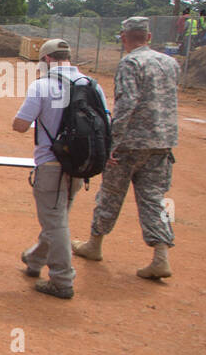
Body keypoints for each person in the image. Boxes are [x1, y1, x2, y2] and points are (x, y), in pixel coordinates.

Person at [73, 17, 179, 278]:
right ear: (149, 37)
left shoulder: (131, 63)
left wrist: (111, 143)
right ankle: (161, 255)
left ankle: (94, 243)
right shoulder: (170, 63)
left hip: (130, 143)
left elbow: (126, 105)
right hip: (163, 142)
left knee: (109, 195)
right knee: (157, 199)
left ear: (124, 37)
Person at [11, 39, 109, 299]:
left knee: (55, 222)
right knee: (57, 218)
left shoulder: (42, 86)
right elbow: (106, 123)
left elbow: (21, 125)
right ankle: (34, 260)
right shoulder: (92, 86)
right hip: (79, 165)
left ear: (46, 60)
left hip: (50, 163)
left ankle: (62, 280)